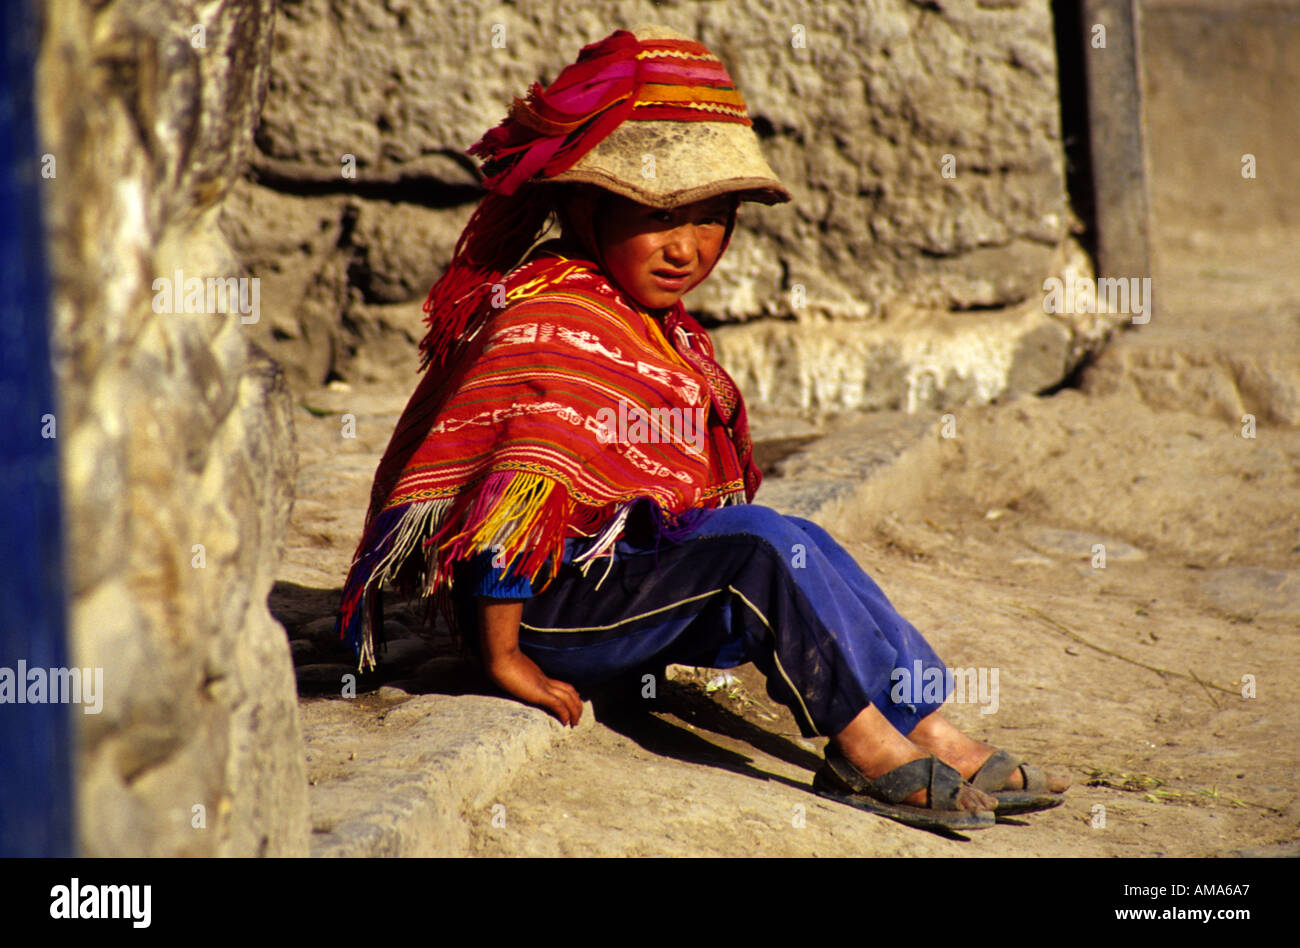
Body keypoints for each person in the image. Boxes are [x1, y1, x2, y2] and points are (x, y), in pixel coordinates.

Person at [337, 24, 1068, 833]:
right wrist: (504, 657)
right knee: (756, 543)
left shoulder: (663, 328)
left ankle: (923, 724)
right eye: (658, 216)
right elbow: (517, 496)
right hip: (550, 614)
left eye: (713, 217)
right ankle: (862, 749)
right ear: (586, 207)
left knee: (797, 540)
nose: (687, 248)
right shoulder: (555, 314)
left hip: (621, 579)